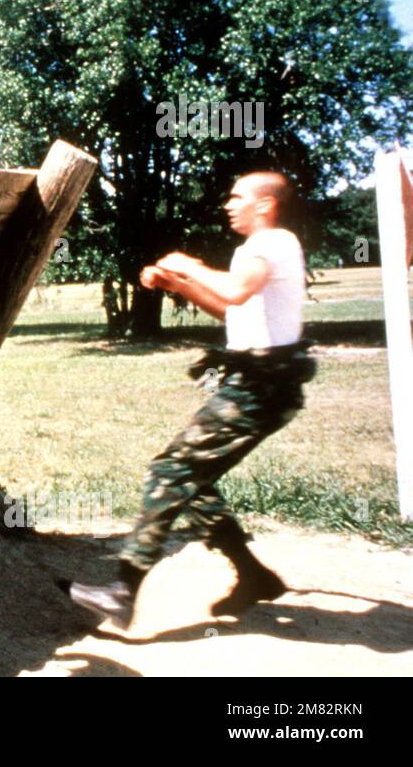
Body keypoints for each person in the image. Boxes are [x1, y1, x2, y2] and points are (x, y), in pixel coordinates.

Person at [63, 171, 316, 629]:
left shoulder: (271, 242)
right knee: (191, 477)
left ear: (265, 206)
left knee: (171, 471)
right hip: (261, 383)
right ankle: (254, 576)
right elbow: (229, 307)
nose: (228, 203)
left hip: (261, 385)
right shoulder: (264, 248)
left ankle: (123, 590)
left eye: (238, 196)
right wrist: (176, 285)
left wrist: (187, 264)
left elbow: (235, 291)